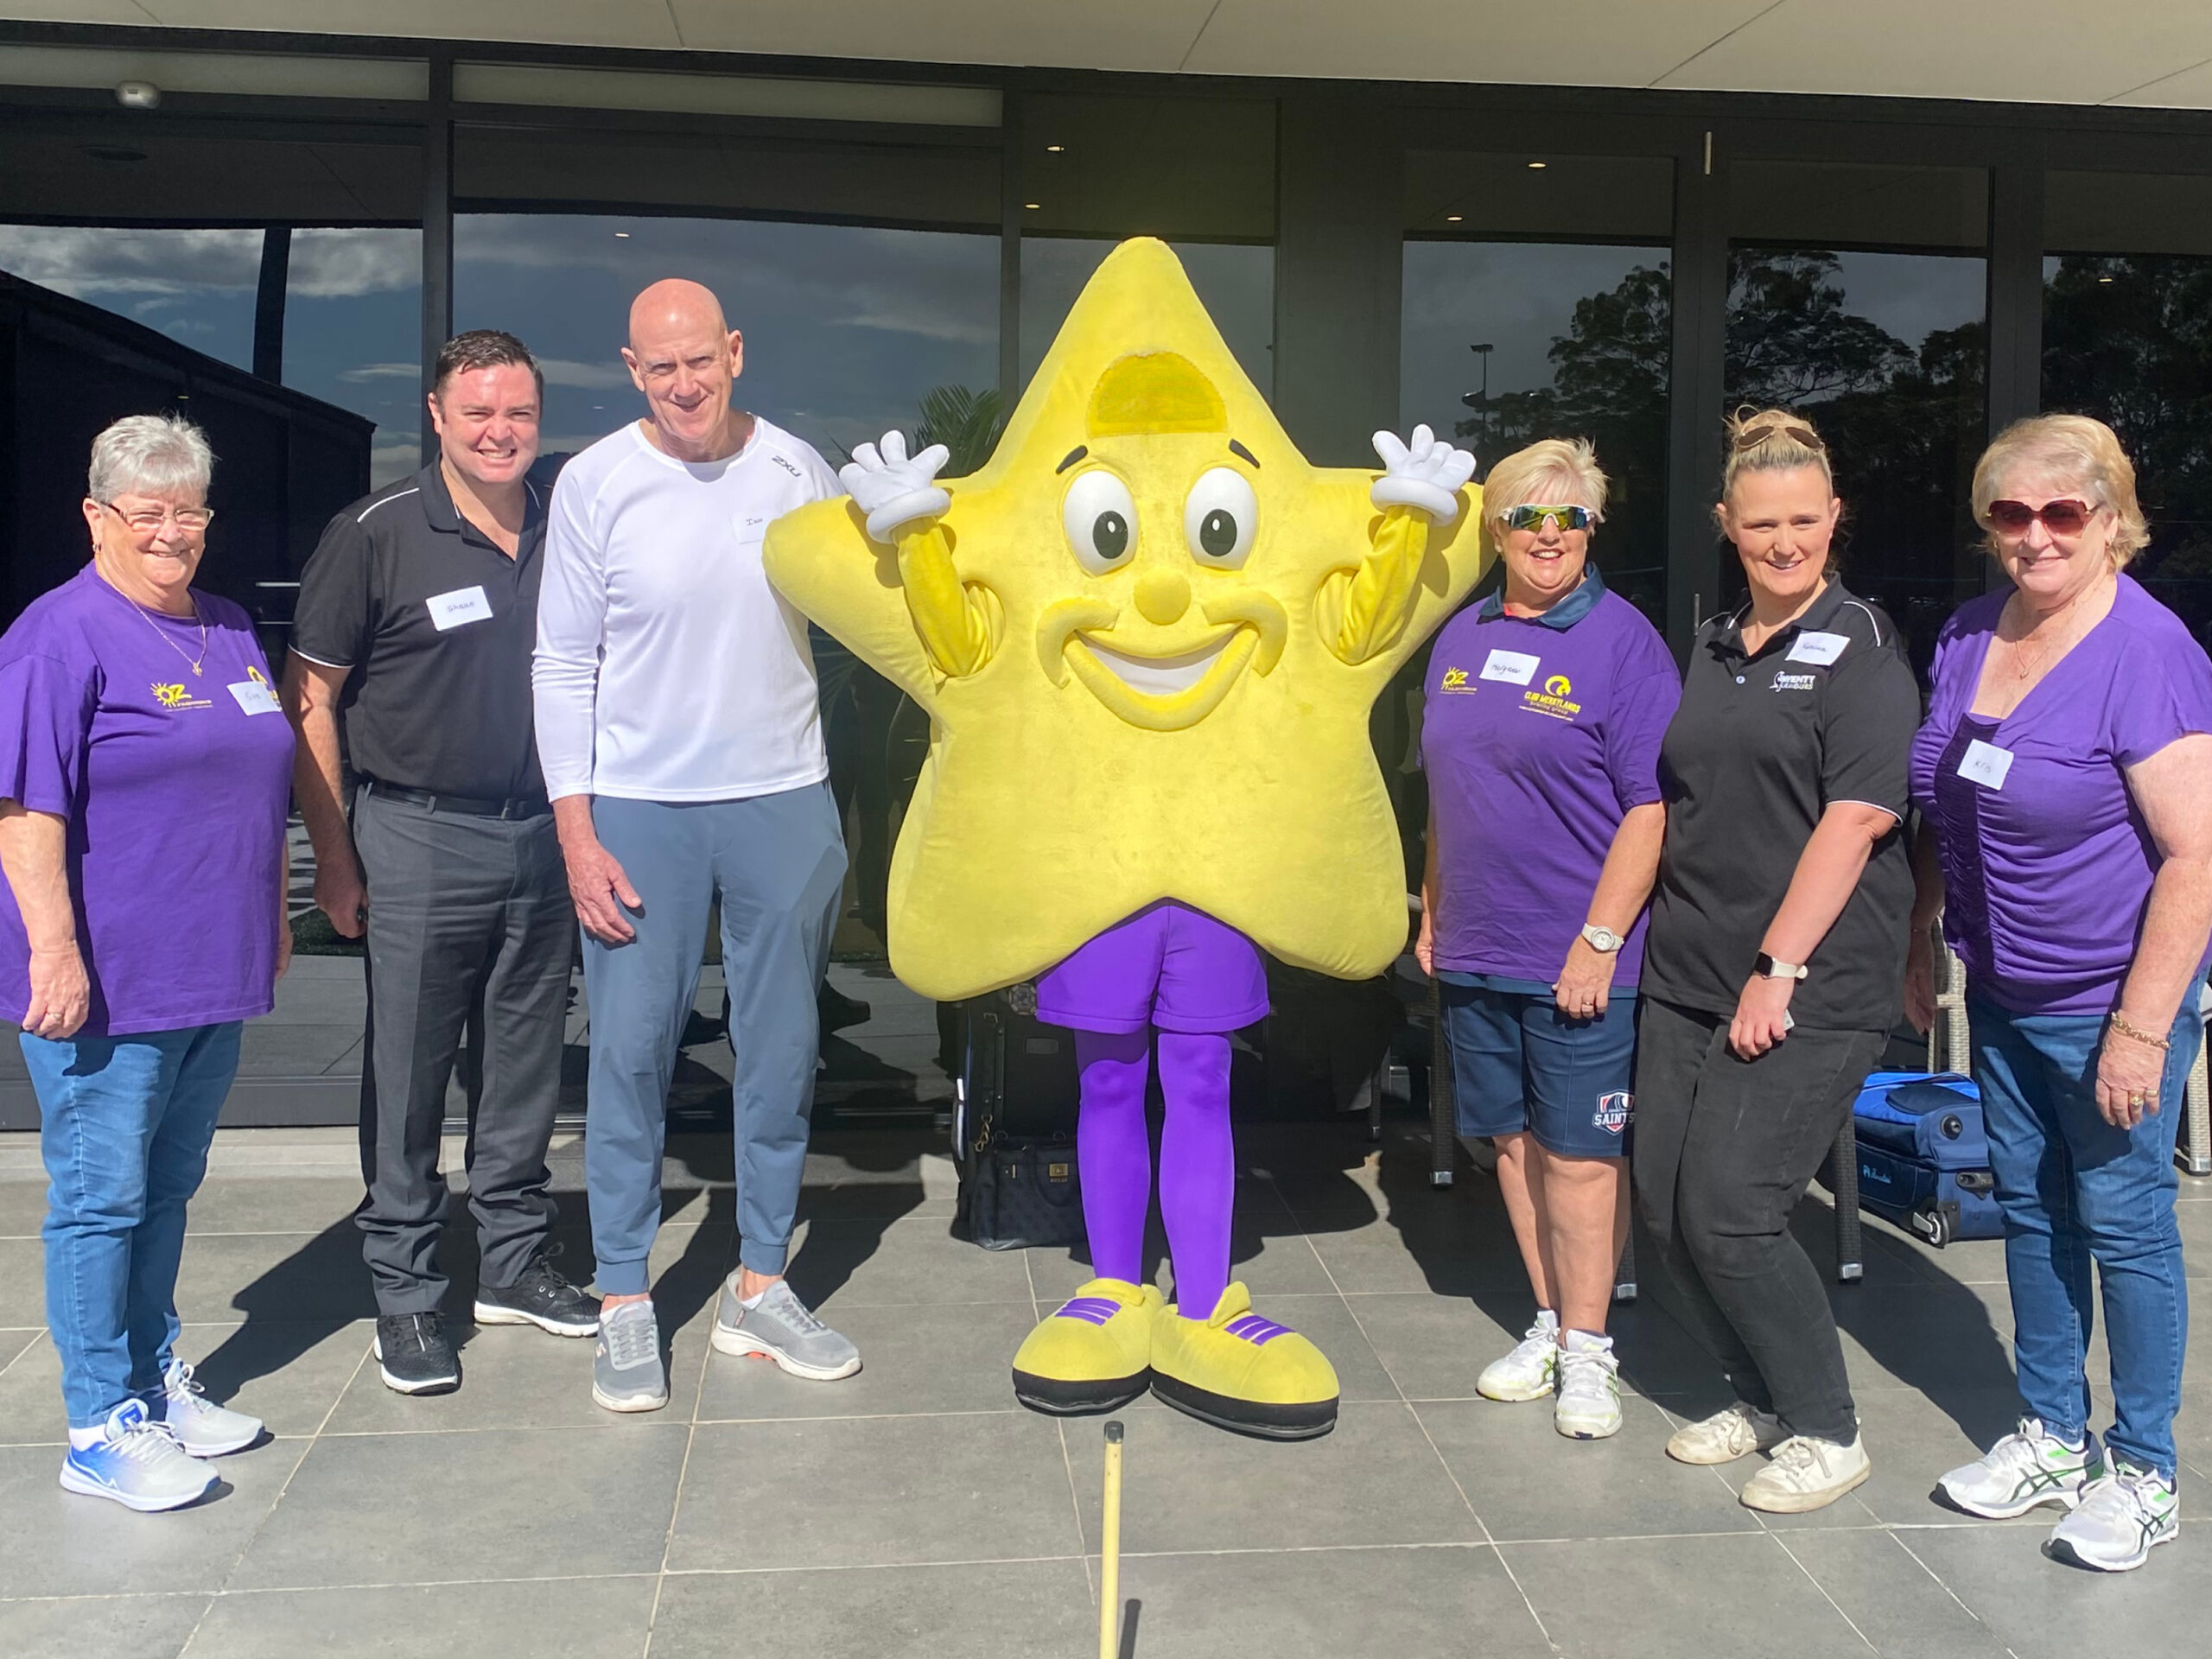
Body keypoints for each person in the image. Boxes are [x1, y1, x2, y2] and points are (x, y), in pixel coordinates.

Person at [534, 278, 855, 1414]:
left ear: (734, 352)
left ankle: (758, 1286)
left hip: (781, 797)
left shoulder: (799, 473)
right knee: (627, 1054)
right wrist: (575, 826)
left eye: (698, 361)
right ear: (632, 370)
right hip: (637, 807)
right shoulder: (595, 483)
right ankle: (626, 1298)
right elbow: (562, 665)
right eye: (658, 367)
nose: (682, 385)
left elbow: (868, 614)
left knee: (781, 1054)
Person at [1910, 415, 2212, 1573]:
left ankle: (2144, 1475)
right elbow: (1945, 786)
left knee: (2127, 1224)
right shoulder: (1972, 631)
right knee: (2033, 1212)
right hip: (2000, 983)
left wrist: (2142, 1030)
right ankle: (2050, 1436)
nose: (2034, 536)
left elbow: (2195, 855)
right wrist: (1922, 925)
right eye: (2011, 513)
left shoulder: (2149, 654)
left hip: (2106, 999)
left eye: (2062, 513)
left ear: (2113, 524)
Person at [287, 330, 598, 1398]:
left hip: (542, 834)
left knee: (525, 1069)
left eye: (516, 412)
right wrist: (335, 855)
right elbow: (312, 695)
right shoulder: (376, 533)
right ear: (436, 417)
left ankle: (513, 1262)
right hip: (417, 833)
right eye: (478, 414)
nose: (499, 432)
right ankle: (409, 1295)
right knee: (412, 1076)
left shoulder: (567, 523)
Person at [0, 415, 292, 1510]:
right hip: (109, 977)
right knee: (98, 1198)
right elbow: (24, 810)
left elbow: (254, 787)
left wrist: (270, 914)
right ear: (97, 517)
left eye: (191, 512)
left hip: (209, 965)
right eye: (148, 512)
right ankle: (95, 1424)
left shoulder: (224, 626)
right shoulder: (57, 636)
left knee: (166, 1188)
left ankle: (151, 1380)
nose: (173, 533)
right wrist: (55, 956)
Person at [1634, 407, 1919, 1513]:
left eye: (1804, 521)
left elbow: (1853, 821)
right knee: (1659, 1206)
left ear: (1834, 517)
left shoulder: (1861, 651)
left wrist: (1778, 969)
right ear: (1725, 525)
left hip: (1805, 982)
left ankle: (1827, 1430)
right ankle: (1753, 1396)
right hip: (1688, 970)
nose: (1784, 543)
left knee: (1733, 1212)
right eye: (1762, 526)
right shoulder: (1711, 643)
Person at [1416, 439, 1678, 1441]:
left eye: (1570, 518)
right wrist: (1433, 908)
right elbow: (1446, 788)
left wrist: (1600, 941)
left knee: (1579, 1157)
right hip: (1479, 940)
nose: (1550, 536)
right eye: (1528, 516)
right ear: (1495, 530)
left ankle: (1591, 1350)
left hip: (1580, 951)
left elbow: (1650, 810)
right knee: (1513, 1147)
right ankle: (1550, 1324)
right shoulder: (1461, 637)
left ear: (1592, 529)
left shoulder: (1623, 642)